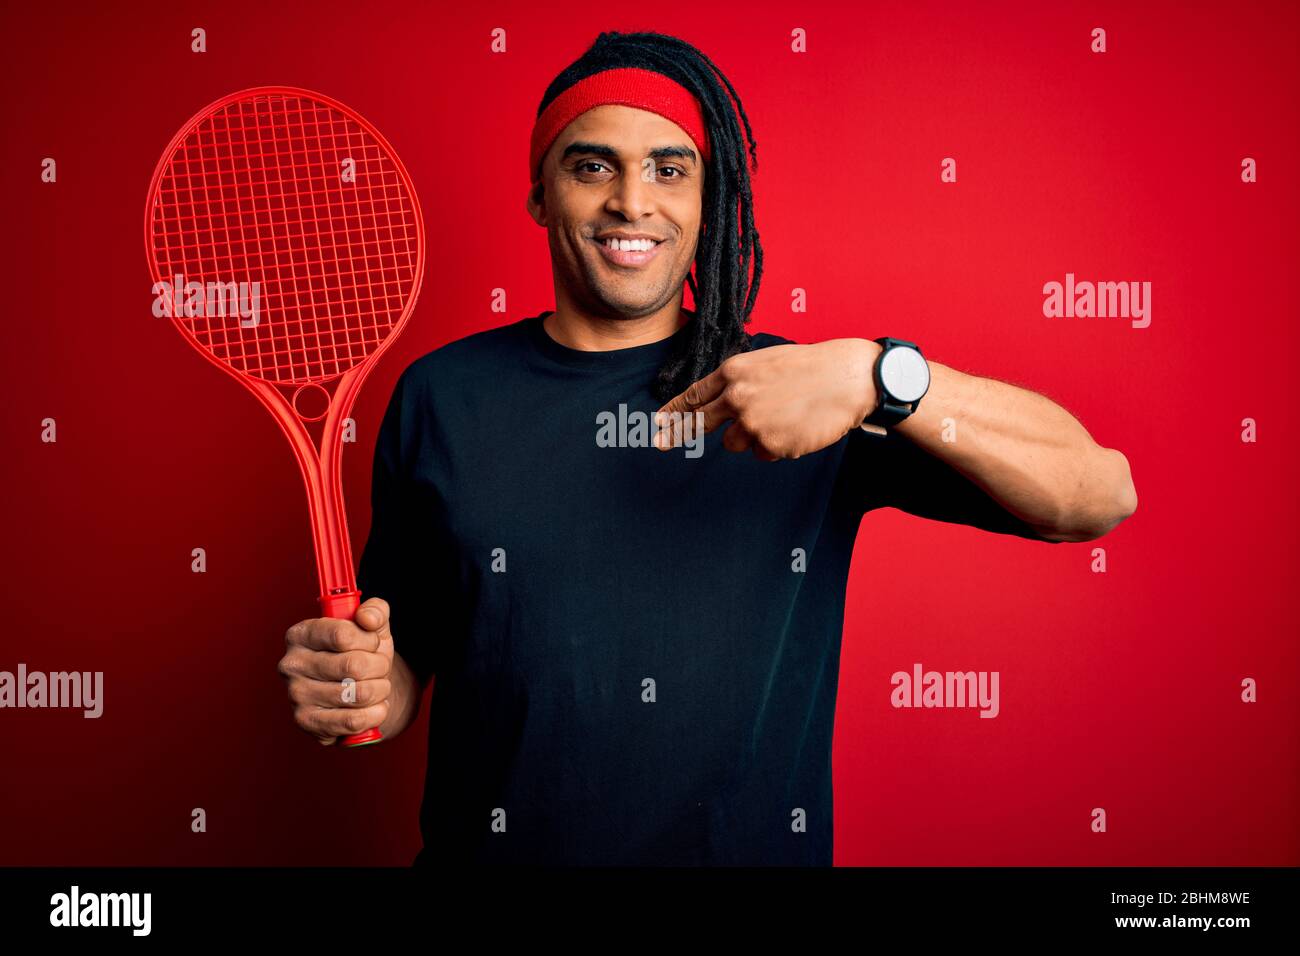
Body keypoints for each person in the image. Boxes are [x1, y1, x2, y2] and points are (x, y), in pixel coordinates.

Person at [277, 30, 1137, 866]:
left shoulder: (808, 394)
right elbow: (399, 671)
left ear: (705, 199)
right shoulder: (444, 396)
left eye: (669, 168)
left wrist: (880, 374)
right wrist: (354, 689)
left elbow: (1096, 495)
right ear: (542, 195)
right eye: (592, 165)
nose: (632, 202)